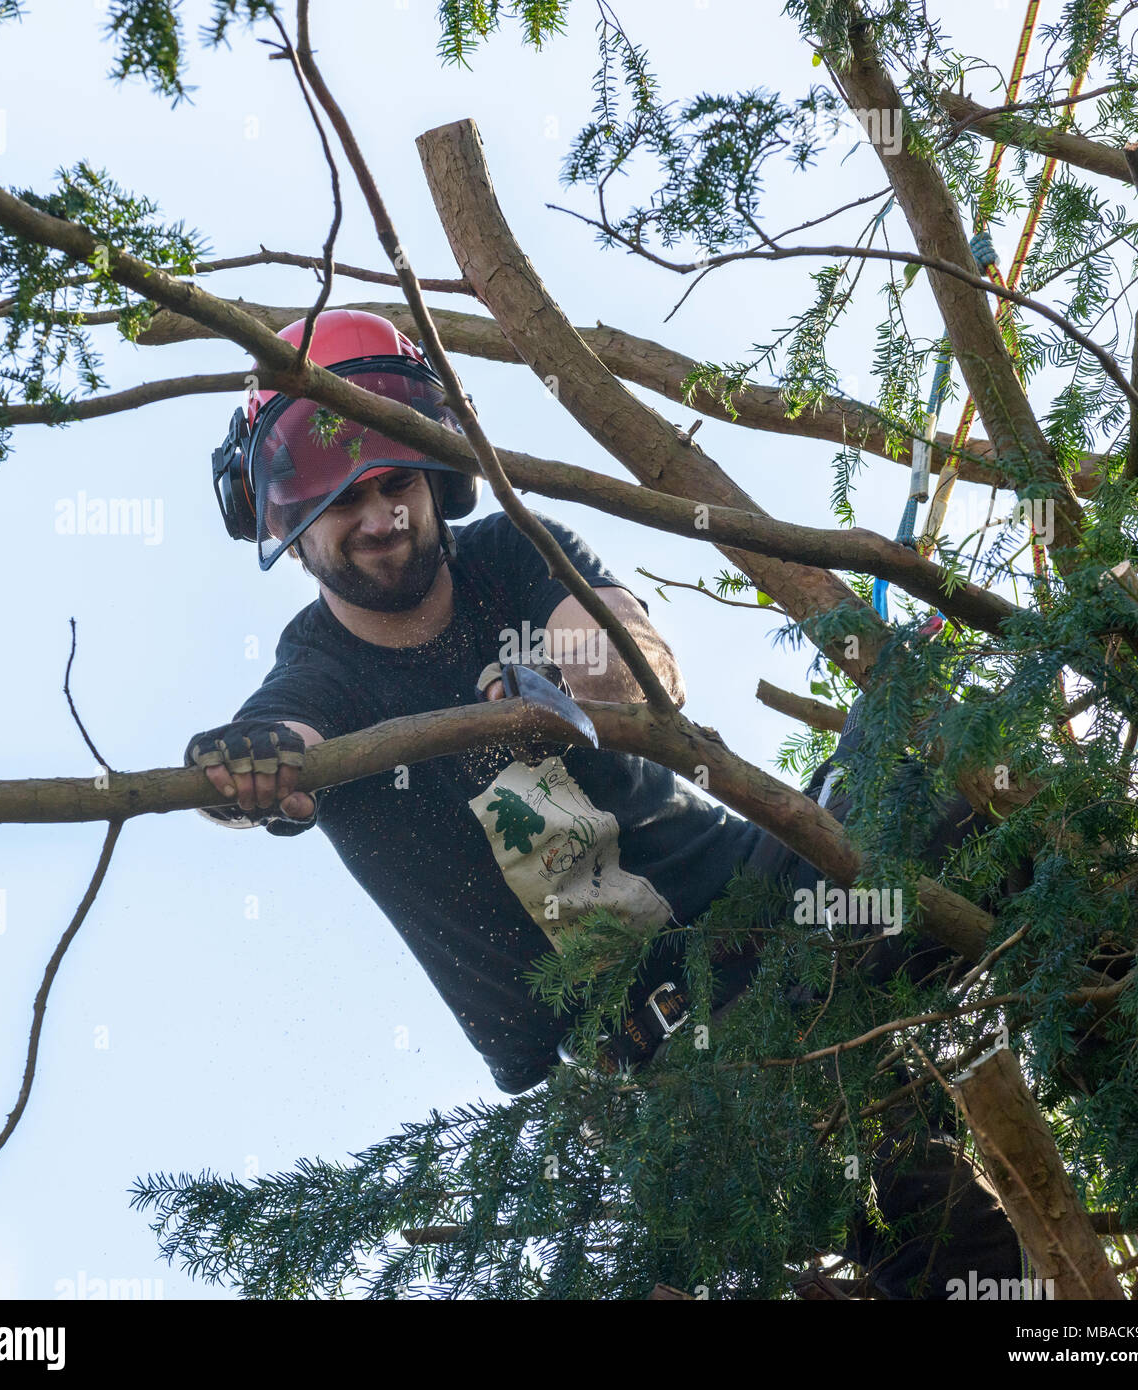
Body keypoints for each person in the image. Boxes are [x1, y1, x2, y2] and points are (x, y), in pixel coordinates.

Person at [189, 308, 1021, 1297]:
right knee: (969, 1269)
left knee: (951, 767)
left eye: (396, 482)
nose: (381, 517)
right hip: (651, 1076)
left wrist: (564, 678)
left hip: (782, 932)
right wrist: (250, 772)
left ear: (436, 477)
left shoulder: (510, 555)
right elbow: (281, 750)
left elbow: (637, 655)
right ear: (283, 521)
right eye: (344, 502)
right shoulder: (316, 677)